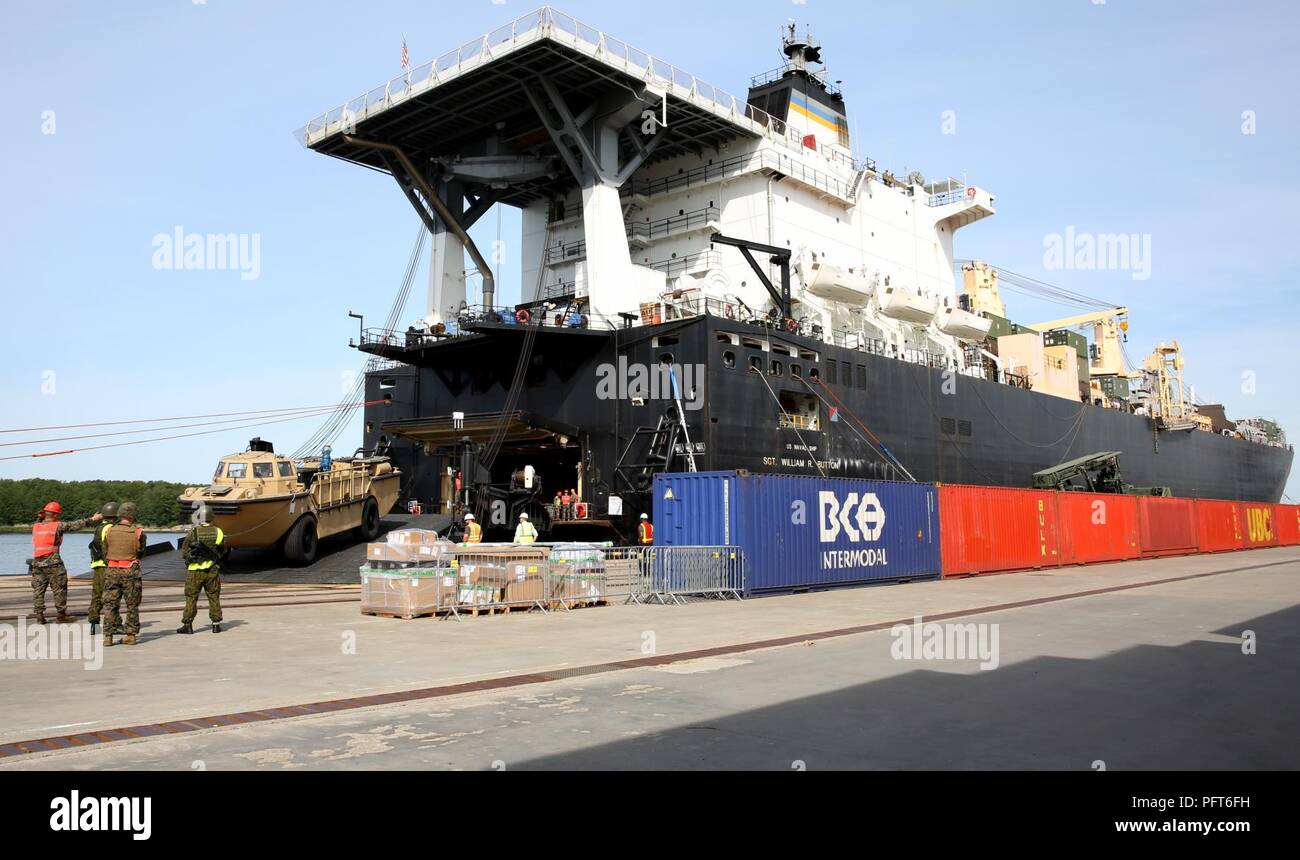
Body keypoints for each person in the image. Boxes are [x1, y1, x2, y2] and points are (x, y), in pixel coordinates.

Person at [29, 502, 101, 625]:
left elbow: (40, 521)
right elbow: (75, 525)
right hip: (53, 563)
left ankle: (39, 616)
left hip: (37, 563)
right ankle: (61, 615)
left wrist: (40, 517)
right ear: (56, 514)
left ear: (45, 512)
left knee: (38, 590)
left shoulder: (36, 526)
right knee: (59, 589)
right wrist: (92, 519)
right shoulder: (57, 525)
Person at [100, 502, 147, 646]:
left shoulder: (109, 531)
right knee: (132, 604)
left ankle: (108, 637)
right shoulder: (139, 532)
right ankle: (130, 635)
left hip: (112, 570)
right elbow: (141, 552)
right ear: (133, 516)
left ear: (119, 514)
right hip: (131, 571)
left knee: (110, 604)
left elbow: (104, 551)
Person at [177, 510, 228, 635]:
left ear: (200, 518)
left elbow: (184, 553)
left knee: (191, 597)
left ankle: (187, 625)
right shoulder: (218, 531)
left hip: (194, 571)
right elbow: (223, 550)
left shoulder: (193, 532)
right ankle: (216, 625)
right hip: (212, 570)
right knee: (214, 596)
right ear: (212, 517)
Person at [87, 502, 120, 635]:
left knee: (97, 595)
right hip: (107, 565)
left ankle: (94, 623)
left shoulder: (99, 527)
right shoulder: (111, 528)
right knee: (113, 595)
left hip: (97, 564)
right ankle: (115, 623)